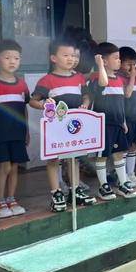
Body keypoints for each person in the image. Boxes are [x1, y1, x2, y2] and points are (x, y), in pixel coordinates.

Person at [30, 39, 95, 212]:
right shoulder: (47, 80)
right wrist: (45, 105)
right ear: (53, 58)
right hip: (56, 126)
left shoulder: (79, 77)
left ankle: (75, 190)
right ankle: (56, 193)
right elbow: (33, 101)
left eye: (73, 55)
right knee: (54, 159)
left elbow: (86, 96)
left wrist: (85, 104)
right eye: (65, 55)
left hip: (75, 126)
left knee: (74, 157)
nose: (71, 59)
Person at [0, 40, 29, 218]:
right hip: (0, 133)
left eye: (16, 58)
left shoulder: (22, 84)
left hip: (18, 132)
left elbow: (24, 109)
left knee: (15, 166)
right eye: (7, 57)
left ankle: (11, 199)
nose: (12, 61)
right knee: (4, 167)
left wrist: (26, 131)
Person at [90, 43, 136, 200]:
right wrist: (99, 65)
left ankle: (123, 183)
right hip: (103, 124)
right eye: (116, 58)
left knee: (118, 154)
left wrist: (123, 121)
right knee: (102, 155)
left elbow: (125, 98)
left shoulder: (119, 80)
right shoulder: (97, 77)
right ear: (104, 61)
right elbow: (103, 82)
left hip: (118, 123)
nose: (119, 61)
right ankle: (103, 186)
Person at [118, 46, 136, 186]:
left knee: (133, 147)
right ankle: (122, 177)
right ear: (119, 63)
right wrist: (133, 77)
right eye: (128, 64)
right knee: (123, 148)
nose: (132, 68)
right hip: (126, 119)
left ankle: (131, 174)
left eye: (134, 64)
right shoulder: (119, 78)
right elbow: (127, 94)